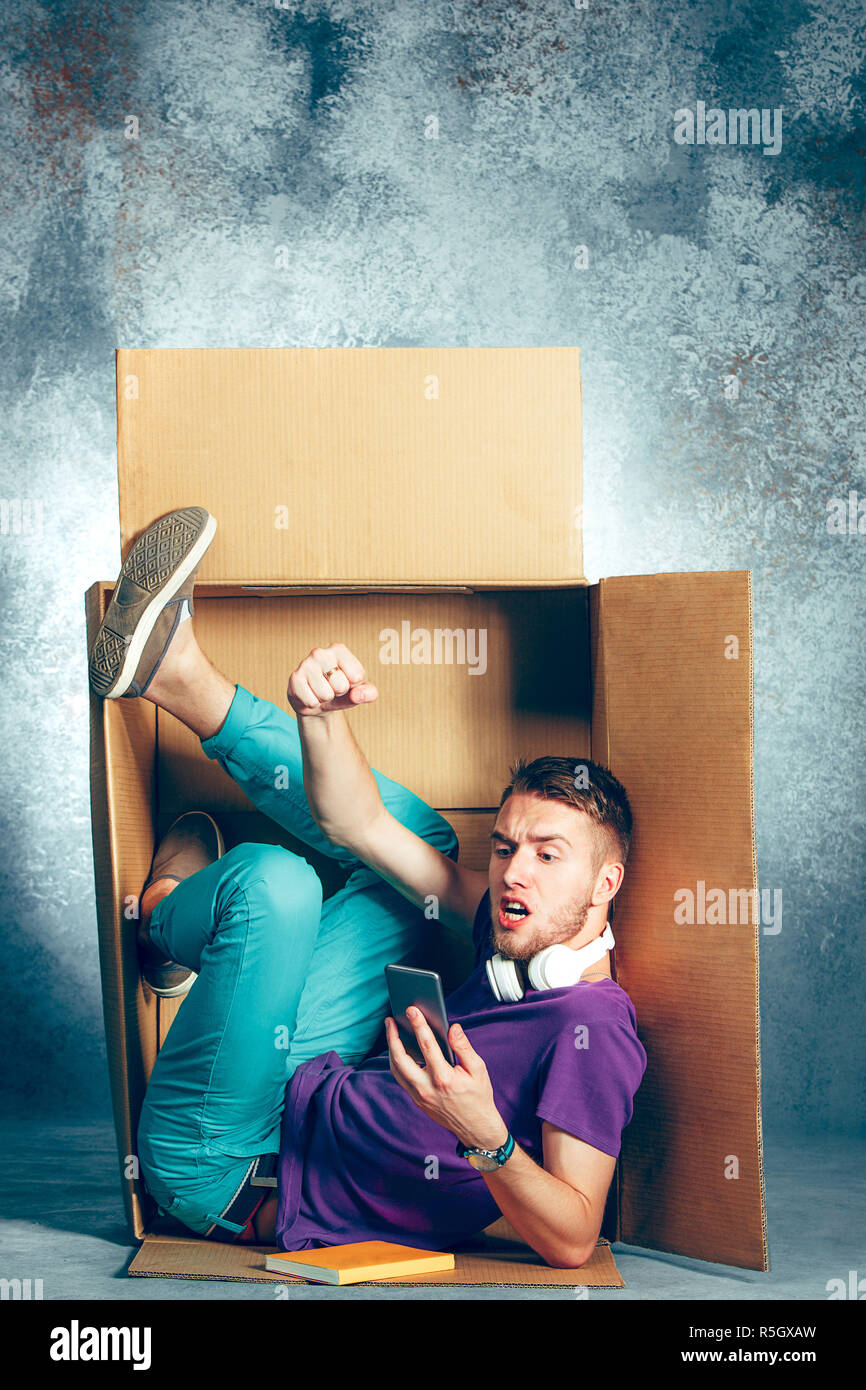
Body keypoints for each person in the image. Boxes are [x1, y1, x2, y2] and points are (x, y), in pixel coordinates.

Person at [89, 507, 647, 1267]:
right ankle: (180, 680)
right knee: (418, 843)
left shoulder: (594, 1032)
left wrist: (483, 1132)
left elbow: (576, 1238)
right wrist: (318, 720)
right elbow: (365, 828)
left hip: (230, 1168)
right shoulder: (516, 929)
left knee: (275, 884)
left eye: (549, 855)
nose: (515, 871)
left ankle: (165, 917)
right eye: (509, 845)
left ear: (606, 881)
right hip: (303, 1082)